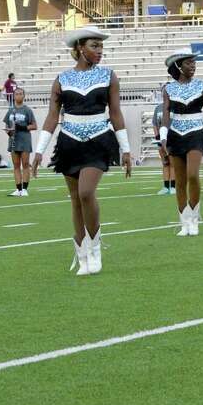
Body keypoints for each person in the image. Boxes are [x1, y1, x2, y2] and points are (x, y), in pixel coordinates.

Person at [31, 27, 132, 276]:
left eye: (101, 46)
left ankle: (96, 246)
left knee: (86, 193)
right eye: (94, 46)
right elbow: (52, 117)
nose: (99, 51)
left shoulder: (109, 76)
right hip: (69, 142)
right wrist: (39, 151)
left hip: (99, 140)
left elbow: (116, 113)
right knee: (75, 200)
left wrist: (126, 149)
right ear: (79, 48)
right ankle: (82, 252)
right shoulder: (62, 78)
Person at [157, 50, 203, 236]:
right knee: (179, 181)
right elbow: (165, 115)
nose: (193, 66)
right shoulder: (168, 89)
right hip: (175, 134)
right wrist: (162, 137)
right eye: (189, 63)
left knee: (192, 175)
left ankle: (194, 218)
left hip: (196, 132)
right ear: (179, 66)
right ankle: (184, 222)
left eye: (194, 63)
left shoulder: (202, 86)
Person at [3, 88, 37, 196]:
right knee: (16, 165)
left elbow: (34, 125)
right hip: (13, 141)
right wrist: (9, 132)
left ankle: (25, 189)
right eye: (16, 94)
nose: (18, 96)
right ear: (13, 96)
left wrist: (23, 127)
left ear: (24, 96)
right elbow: (7, 125)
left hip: (25, 140)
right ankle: (18, 189)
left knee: (25, 164)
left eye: (20, 94)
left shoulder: (27, 110)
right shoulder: (10, 110)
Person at [152, 90, 174, 195]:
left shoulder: (175, 107)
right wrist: (157, 136)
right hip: (161, 140)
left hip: (173, 139)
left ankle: (174, 186)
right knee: (165, 163)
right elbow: (155, 124)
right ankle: (166, 187)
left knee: (173, 163)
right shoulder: (158, 108)